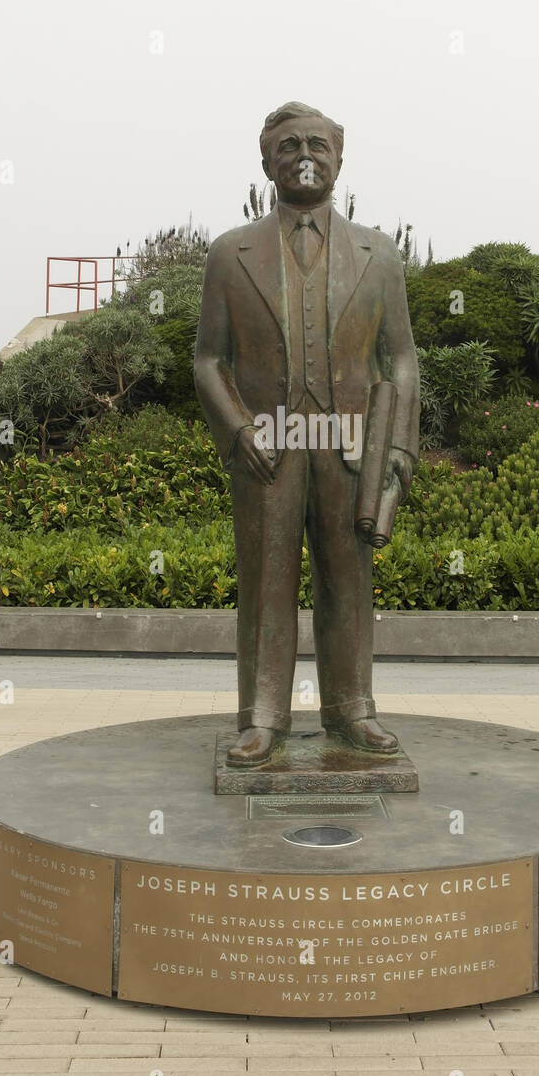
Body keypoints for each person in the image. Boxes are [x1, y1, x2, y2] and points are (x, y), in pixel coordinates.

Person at [194, 101, 420, 766]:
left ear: (340, 160)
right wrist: (238, 433)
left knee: (348, 581)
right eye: (289, 145)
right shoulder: (228, 255)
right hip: (266, 442)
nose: (305, 155)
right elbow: (209, 359)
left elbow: (401, 357)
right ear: (266, 161)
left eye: (319, 145)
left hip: (351, 444)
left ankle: (353, 710)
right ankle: (262, 717)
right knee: (265, 579)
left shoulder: (379, 256)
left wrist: (396, 450)